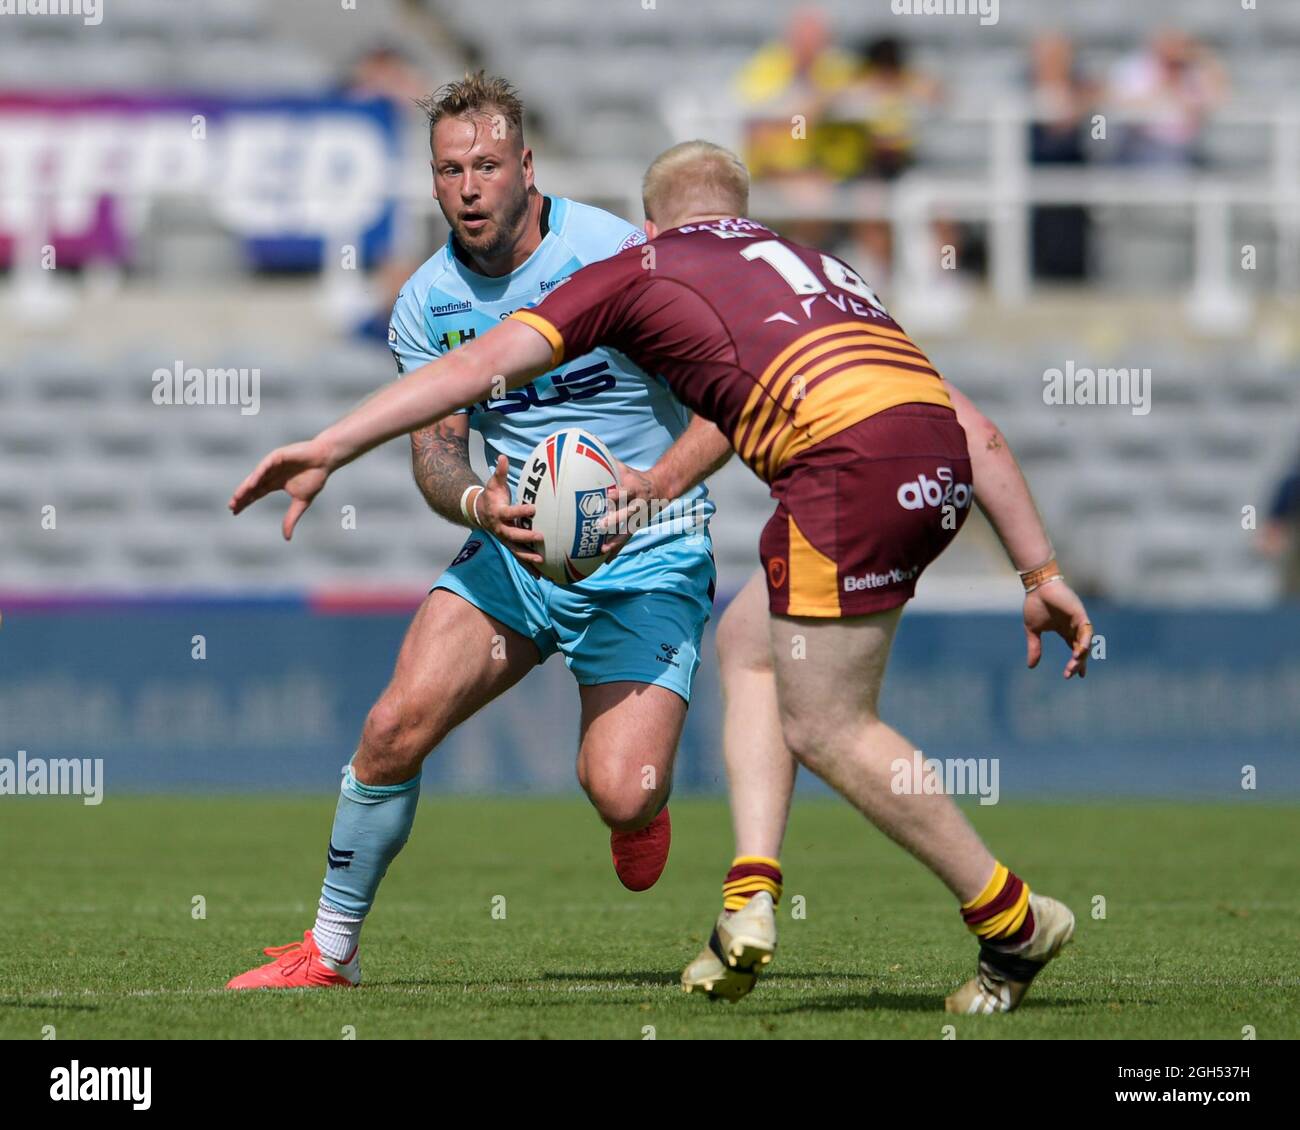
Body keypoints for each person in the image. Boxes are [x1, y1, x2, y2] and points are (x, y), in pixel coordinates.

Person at [229, 140, 1093, 1013]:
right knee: (750, 648)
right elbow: (975, 430)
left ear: (650, 226)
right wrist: (1040, 569)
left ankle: (1012, 921)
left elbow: (474, 368)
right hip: (927, 463)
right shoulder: (816, 269)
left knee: (827, 724)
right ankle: (747, 903)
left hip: (838, 473)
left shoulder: (637, 266)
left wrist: (329, 446)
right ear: (744, 219)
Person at [224, 77, 722, 991]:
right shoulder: (426, 303)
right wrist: (477, 508)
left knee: (621, 786)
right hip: (516, 552)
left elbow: (728, 409)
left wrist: (651, 489)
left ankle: (635, 811)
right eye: (449, 169)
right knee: (391, 726)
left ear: (526, 166)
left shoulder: (617, 254)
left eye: (487, 165)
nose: (468, 186)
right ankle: (329, 952)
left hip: (650, 547)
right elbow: (438, 458)